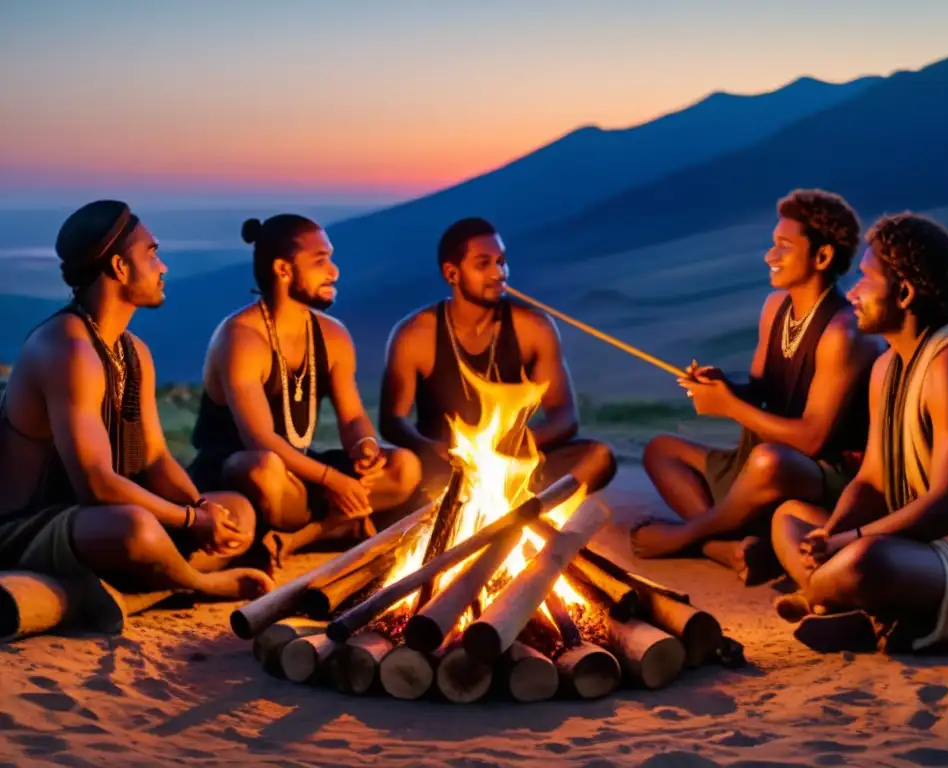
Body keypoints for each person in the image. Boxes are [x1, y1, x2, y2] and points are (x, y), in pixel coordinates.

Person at [0, 200, 272, 630]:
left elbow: (155, 460)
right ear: (120, 267)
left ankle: (132, 588)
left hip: (102, 519)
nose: (162, 267)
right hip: (35, 526)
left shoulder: (133, 352)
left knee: (237, 511)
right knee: (133, 529)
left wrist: (201, 509)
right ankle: (200, 585)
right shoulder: (67, 349)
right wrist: (186, 520)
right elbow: (96, 484)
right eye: (151, 253)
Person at [771, 212, 948, 653]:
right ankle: (860, 608)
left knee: (866, 562)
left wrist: (848, 543)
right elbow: (871, 481)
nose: (852, 292)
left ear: (904, 292)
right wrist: (827, 538)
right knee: (788, 519)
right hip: (921, 551)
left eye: (866, 280)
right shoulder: (886, 367)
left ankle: (823, 597)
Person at [634, 190, 882, 577]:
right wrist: (724, 386)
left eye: (783, 246)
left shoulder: (842, 331)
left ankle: (690, 535)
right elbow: (761, 389)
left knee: (769, 463)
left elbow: (815, 439)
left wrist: (728, 406)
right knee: (660, 451)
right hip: (757, 460)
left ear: (822, 257)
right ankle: (723, 546)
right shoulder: (775, 308)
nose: (770, 255)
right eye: (772, 244)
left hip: (822, 473)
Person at [188, 214, 421, 570]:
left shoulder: (332, 335)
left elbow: (354, 417)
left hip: (301, 472)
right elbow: (261, 440)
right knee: (263, 469)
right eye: (320, 261)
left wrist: (364, 449)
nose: (334, 272)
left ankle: (304, 535)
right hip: (241, 470)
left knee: (405, 467)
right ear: (283, 269)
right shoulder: (241, 337)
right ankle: (340, 525)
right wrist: (333, 481)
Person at [378, 217, 617, 499]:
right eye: (483, 264)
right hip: (446, 467)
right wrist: (432, 449)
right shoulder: (416, 334)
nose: (498, 273)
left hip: (516, 462)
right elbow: (392, 420)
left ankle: (517, 510)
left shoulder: (533, 327)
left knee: (598, 457)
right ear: (452, 274)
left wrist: (519, 443)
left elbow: (564, 416)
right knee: (402, 474)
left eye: (501, 262)